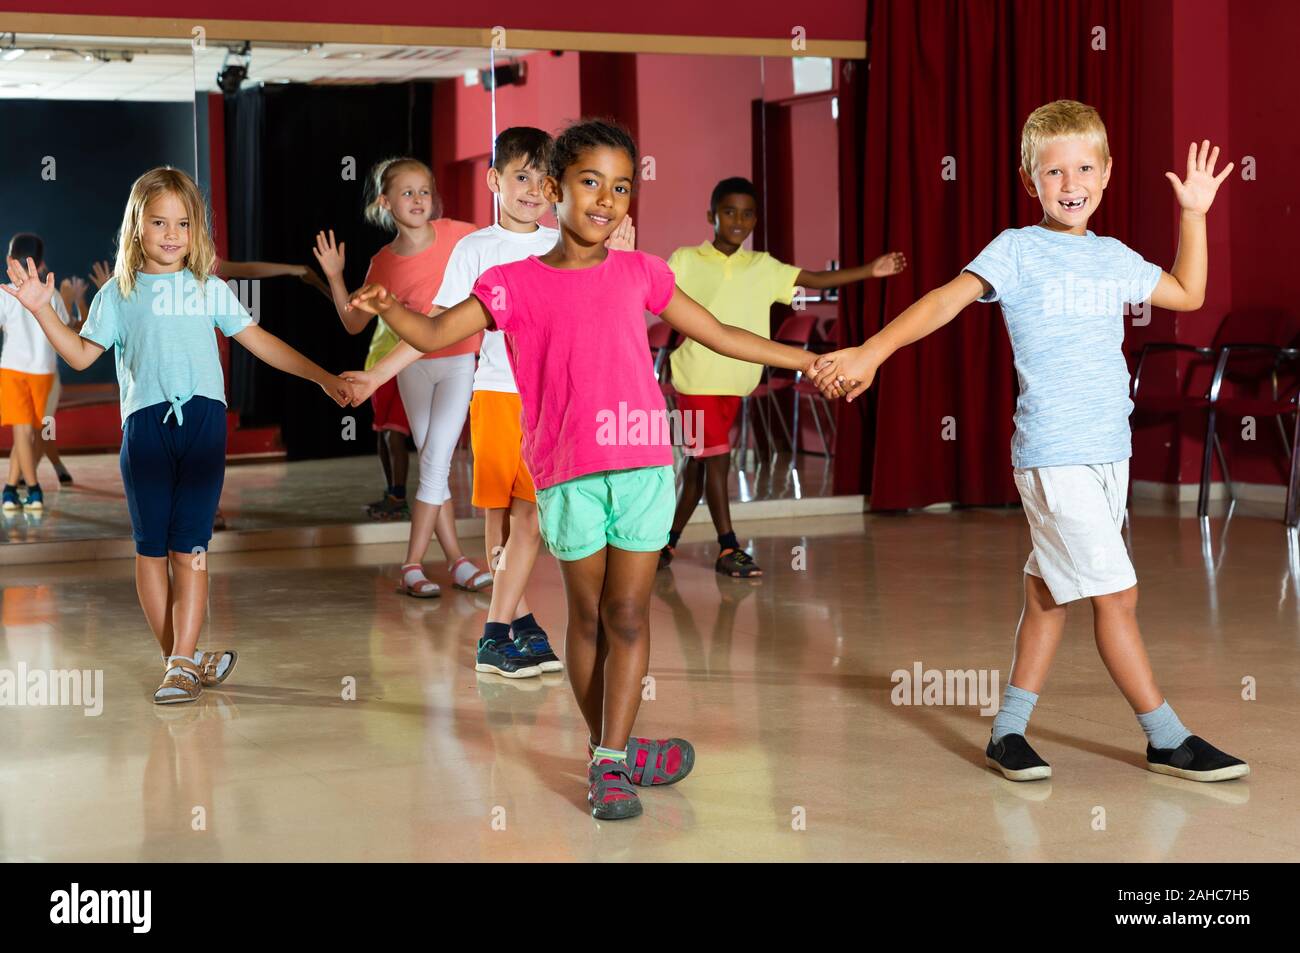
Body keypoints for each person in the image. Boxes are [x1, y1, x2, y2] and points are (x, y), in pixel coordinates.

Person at [344, 118, 829, 819]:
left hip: (640, 467)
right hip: (568, 474)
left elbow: (721, 332)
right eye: (590, 182)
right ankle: (618, 749)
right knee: (590, 619)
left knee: (630, 614)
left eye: (621, 186)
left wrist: (811, 360)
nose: (606, 199)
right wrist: (392, 308)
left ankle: (608, 759)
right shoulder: (510, 282)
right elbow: (436, 332)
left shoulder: (642, 270)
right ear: (553, 188)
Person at [812, 101, 1249, 783]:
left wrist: (1193, 213)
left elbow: (1188, 293)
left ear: (1105, 174)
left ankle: (1008, 731)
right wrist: (872, 350)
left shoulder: (1112, 257)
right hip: (1052, 452)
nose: (1069, 181)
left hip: (1110, 452)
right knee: (1117, 596)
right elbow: (944, 300)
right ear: (1029, 180)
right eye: (1053, 171)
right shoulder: (1016, 249)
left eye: (1083, 167)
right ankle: (1166, 737)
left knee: (1049, 593)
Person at [3, 166, 351, 704]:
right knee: (150, 552)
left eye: (183, 223)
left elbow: (260, 340)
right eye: (159, 222)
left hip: (204, 426)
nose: (171, 234)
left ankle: (182, 663)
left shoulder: (207, 287)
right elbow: (77, 354)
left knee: (191, 550)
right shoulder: (117, 295)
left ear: (196, 230)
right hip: (144, 429)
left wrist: (324, 377)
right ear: (136, 227)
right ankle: (182, 662)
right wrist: (42, 309)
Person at [661, 177, 906, 576]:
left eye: (747, 214)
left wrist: (870, 270)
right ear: (712, 216)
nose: (738, 220)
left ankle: (666, 544)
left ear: (755, 219)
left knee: (699, 466)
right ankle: (728, 548)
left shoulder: (763, 266)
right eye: (729, 212)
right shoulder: (684, 260)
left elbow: (815, 279)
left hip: (736, 383)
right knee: (718, 462)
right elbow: (653, 292)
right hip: (697, 379)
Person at [315, 157, 491, 595]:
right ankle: (456, 561)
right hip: (410, 368)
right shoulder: (382, 263)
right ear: (385, 203)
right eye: (407, 192)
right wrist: (336, 278)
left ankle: (411, 564)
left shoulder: (462, 235)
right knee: (435, 462)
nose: (418, 199)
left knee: (435, 460)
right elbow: (353, 324)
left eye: (424, 190)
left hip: (458, 361)